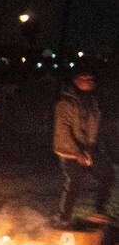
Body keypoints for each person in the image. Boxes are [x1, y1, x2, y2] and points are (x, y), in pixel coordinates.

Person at [52, 71, 111, 229]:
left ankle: (99, 211)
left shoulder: (92, 101)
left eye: (91, 78)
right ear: (76, 80)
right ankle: (63, 218)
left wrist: (92, 148)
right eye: (85, 78)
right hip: (69, 151)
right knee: (74, 182)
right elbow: (62, 131)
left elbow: (94, 128)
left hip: (88, 150)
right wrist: (77, 152)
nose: (89, 80)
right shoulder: (65, 103)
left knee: (107, 174)